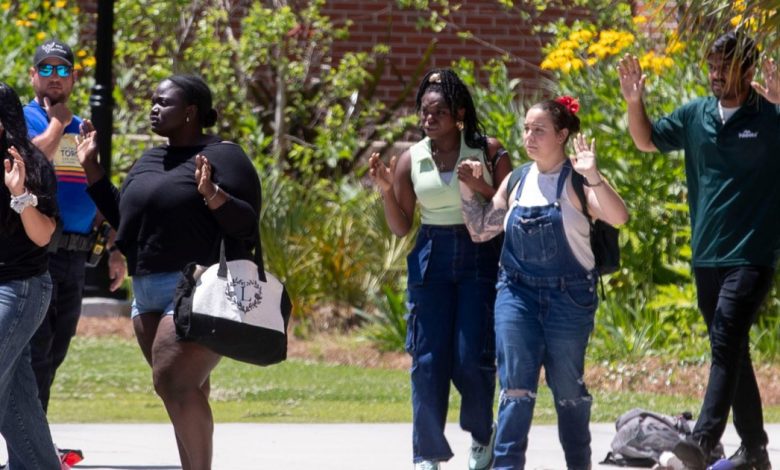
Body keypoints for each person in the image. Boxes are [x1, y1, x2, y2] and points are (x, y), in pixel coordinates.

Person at [76, 74, 261, 470]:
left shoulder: (225, 156)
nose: (154, 108)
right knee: (183, 391)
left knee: (172, 383)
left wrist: (212, 194)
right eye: (152, 101)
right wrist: (92, 169)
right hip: (145, 293)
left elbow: (246, 224)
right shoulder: (149, 159)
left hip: (197, 289)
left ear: (191, 112)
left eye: (164, 102)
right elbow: (125, 219)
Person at [618, 31, 780, 470]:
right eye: (710, 66)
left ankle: (704, 439)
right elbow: (646, 139)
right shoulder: (695, 115)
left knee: (726, 335)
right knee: (733, 348)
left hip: (751, 254)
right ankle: (754, 451)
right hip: (707, 255)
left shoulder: (770, 116)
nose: (714, 75)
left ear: (747, 70)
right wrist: (635, 102)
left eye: (723, 67)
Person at [458, 97, 629, 470]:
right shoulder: (517, 179)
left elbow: (619, 216)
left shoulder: (579, 181)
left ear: (563, 135)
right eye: (526, 129)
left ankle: (578, 464)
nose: (529, 136)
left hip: (569, 298)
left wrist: (594, 175)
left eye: (539, 130)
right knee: (516, 391)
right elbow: (481, 230)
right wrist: (468, 187)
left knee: (568, 392)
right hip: (516, 295)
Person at [368, 68, 512, 470]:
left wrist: (480, 183)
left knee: (471, 356)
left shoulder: (487, 149)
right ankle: (427, 453)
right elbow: (401, 226)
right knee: (427, 359)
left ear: (459, 114)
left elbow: (509, 203)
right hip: (430, 254)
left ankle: (483, 435)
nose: (428, 119)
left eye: (438, 112)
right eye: (424, 112)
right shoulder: (410, 160)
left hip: (479, 253)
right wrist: (385, 190)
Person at [23, 39, 126, 417]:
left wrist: (114, 248)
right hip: (37, 255)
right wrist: (57, 123)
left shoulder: (83, 126)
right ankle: (33, 449)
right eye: (45, 69)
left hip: (77, 255)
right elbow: (32, 163)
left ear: (73, 77)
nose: (54, 77)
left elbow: (92, 187)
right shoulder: (21, 118)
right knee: (35, 352)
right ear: (32, 74)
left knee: (54, 353)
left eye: (62, 70)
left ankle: (34, 441)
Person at [0, 82, 62, 469]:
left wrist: (20, 194)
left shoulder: (28, 163)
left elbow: (44, 234)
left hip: (19, 289)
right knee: (17, 399)